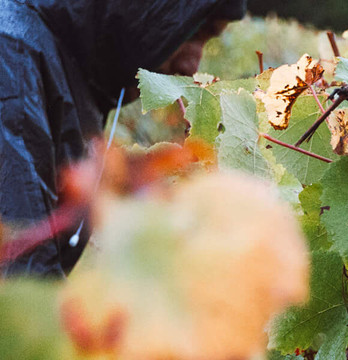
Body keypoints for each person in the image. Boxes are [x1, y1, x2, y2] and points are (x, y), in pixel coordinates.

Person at [0, 0, 243, 276]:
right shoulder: (14, 55)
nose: (191, 65)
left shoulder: (72, 73)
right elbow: (17, 275)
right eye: (195, 32)